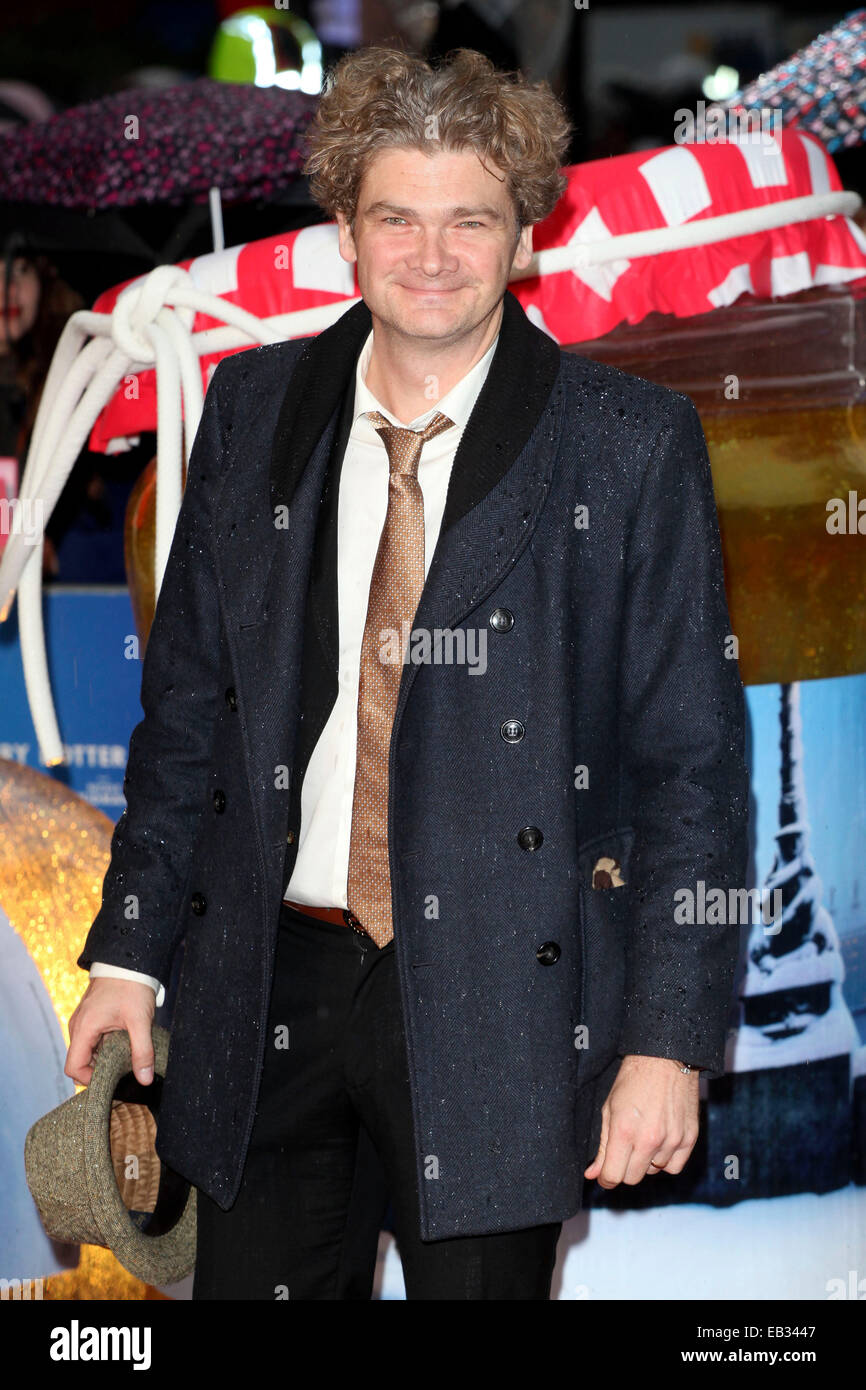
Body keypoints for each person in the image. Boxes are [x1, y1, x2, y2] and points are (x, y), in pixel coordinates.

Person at [66, 46, 749, 1301]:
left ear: (521, 235)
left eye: (468, 220)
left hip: (503, 993)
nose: (430, 256)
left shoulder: (627, 446)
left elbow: (689, 765)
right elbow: (188, 719)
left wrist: (667, 1036)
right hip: (271, 979)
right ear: (343, 227)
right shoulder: (253, 409)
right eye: (396, 217)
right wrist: (130, 952)